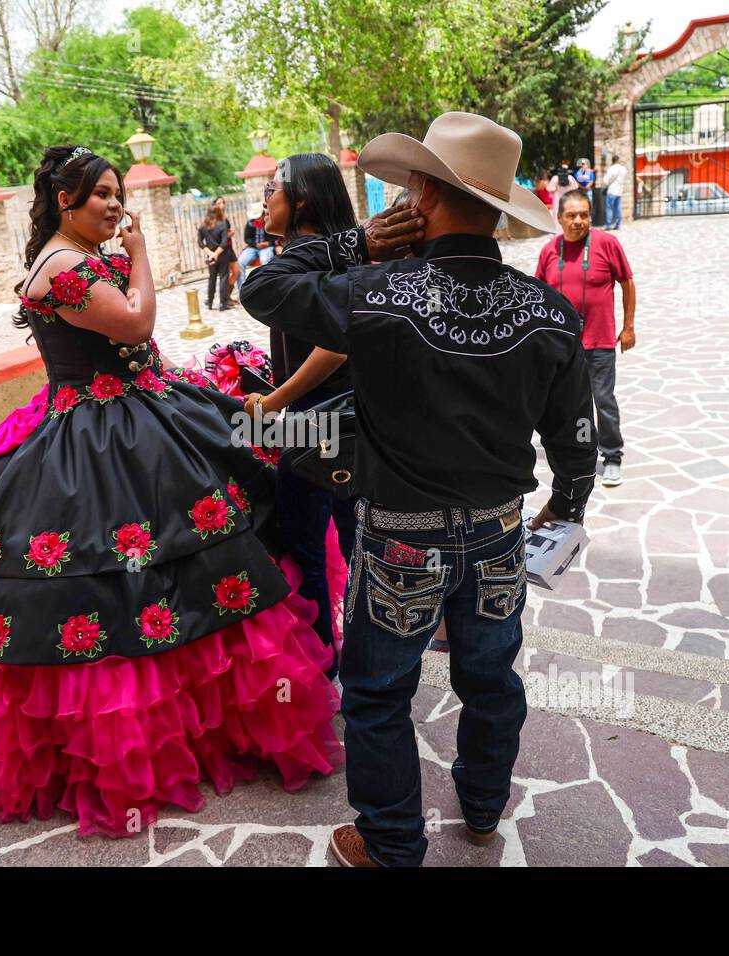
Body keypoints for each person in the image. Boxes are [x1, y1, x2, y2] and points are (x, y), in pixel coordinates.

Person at [0, 144, 341, 837]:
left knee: (196, 549)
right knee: (108, 573)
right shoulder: (62, 264)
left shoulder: (78, 256)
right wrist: (143, 257)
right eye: (100, 193)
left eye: (116, 191)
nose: (113, 204)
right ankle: (135, 733)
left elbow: (131, 339)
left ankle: (209, 713)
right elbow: (134, 324)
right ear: (64, 200)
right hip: (96, 433)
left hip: (141, 409)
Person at [243, 112, 597, 867]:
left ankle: (393, 844)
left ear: (425, 196)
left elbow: (263, 288)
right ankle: (480, 810)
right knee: (491, 681)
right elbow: (576, 442)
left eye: (410, 188)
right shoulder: (548, 312)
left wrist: (356, 244)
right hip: (500, 534)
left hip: (401, 535)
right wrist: (563, 511)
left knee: (378, 696)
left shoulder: (375, 294)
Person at [239, 153, 358, 677]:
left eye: (273, 189)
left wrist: (274, 400)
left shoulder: (309, 257)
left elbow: (336, 348)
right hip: (345, 417)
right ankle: (359, 658)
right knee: (354, 541)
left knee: (306, 544)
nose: (265, 200)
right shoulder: (333, 254)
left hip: (317, 418)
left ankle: (322, 666)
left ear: (302, 198)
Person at [535, 190, 635, 488]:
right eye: (572, 215)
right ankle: (578, 453)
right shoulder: (550, 250)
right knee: (568, 406)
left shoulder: (607, 243)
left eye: (584, 215)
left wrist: (628, 327)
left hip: (600, 341)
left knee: (603, 401)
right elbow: (539, 293)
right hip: (563, 345)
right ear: (560, 218)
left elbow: (627, 282)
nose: (578, 221)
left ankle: (612, 455)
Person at [197, 196, 233, 310]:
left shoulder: (203, 226)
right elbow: (224, 242)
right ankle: (223, 303)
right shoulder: (222, 225)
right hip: (222, 254)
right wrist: (216, 254)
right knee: (223, 277)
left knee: (212, 278)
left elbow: (200, 242)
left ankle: (210, 302)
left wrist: (210, 254)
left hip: (211, 255)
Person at [236, 200, 274, 296]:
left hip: (267, 247)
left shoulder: (270, 220)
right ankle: (242, 291)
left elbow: (276, 236)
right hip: (253, 248)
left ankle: (267, 288)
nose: (256, 219)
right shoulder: (250, 223)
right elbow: (247, 238)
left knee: (264, 260)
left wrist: (268, 243)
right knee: (240, 262)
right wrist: (255, 245)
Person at [602, 155, 627, 230]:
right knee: (618, 207)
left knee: (609, 208)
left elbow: (606, 181)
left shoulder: (612, 169)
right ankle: (618, 224)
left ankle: (608, 225)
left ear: (612, 161)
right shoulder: (623, 169)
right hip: (619, 190)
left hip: (612, 190)